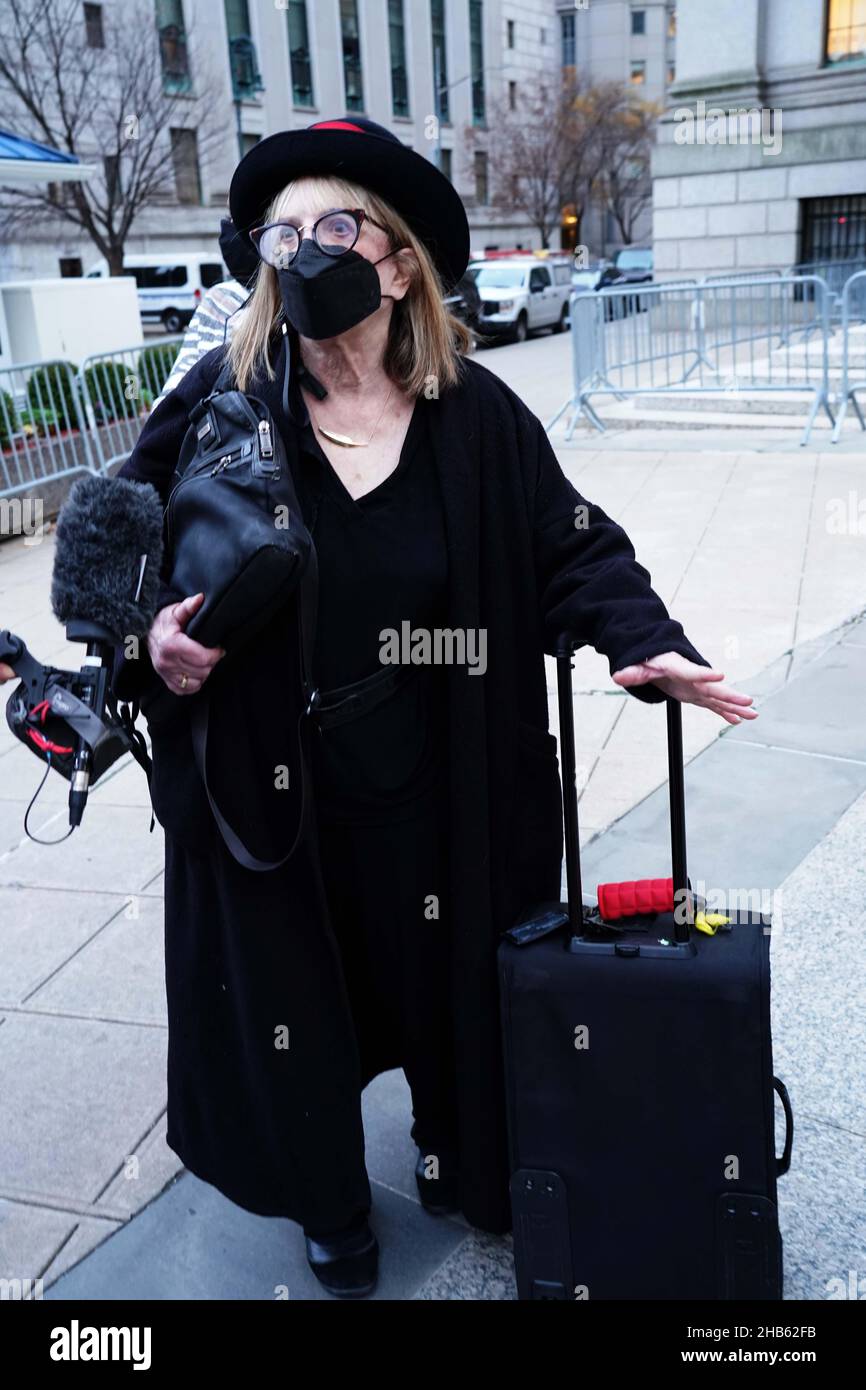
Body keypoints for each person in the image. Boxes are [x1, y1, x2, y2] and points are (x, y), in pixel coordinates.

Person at [0, 117, 757, 1300]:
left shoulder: (476, 416)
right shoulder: (223, 400)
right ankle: (331, 1207)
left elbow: (571, 550)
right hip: (274, 793)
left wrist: (643, 643)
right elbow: (116, 539)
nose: (305, 253)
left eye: (335, 227)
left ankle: (461, 1154)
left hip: (438, 770)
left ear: (397, 260)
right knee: (298, 1002)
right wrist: (144, 636)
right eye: (281, 233)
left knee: (447, 980)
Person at [153, 217, 257, 405]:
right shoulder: (219, 298)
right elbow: (179, 383)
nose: (228, 225)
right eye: (229, 216)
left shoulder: (295, 300)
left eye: (238, 217)